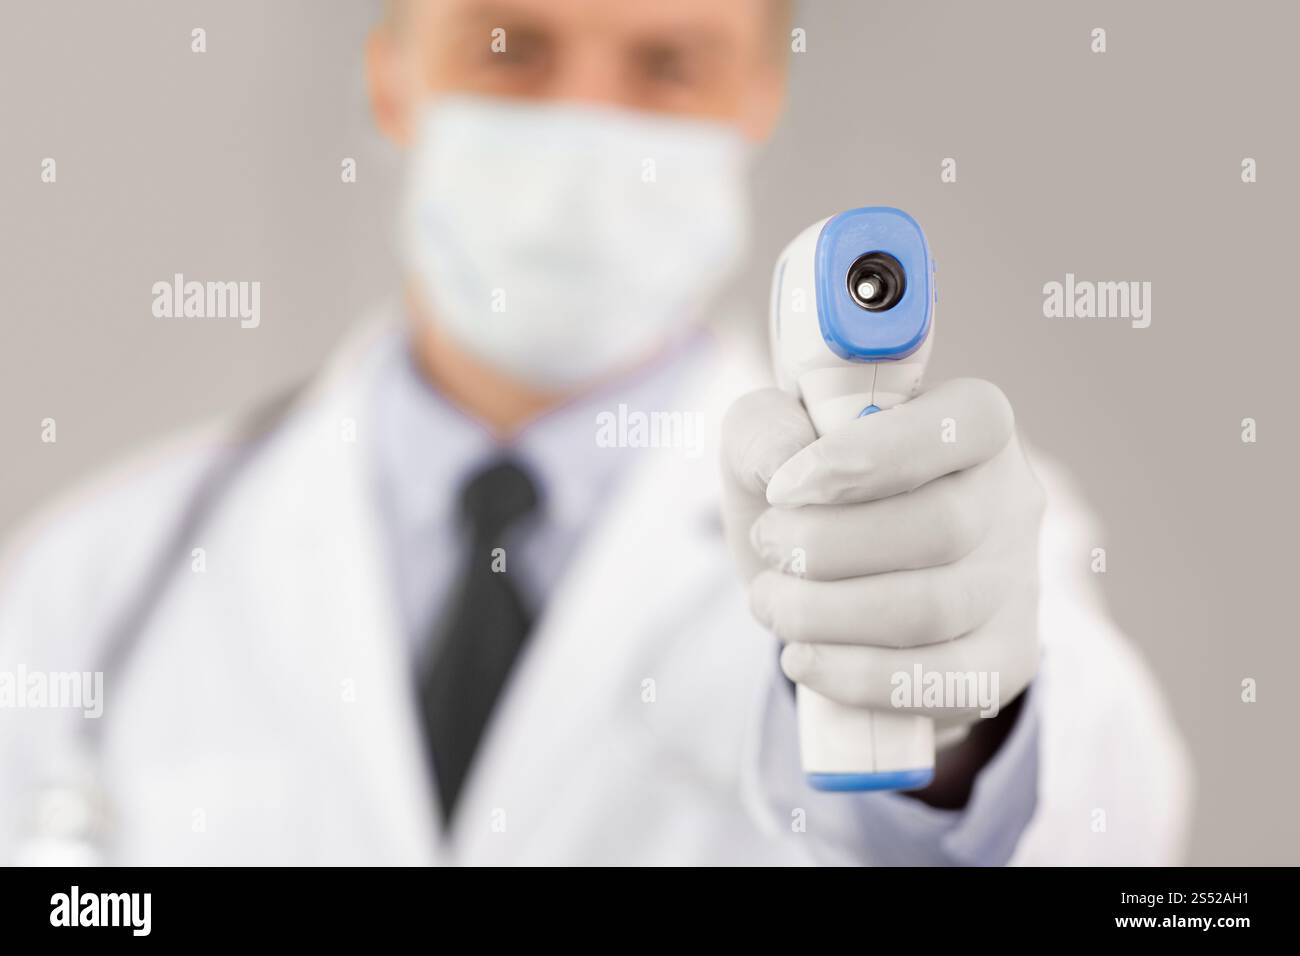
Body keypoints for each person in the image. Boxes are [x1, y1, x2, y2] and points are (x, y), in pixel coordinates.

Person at [0, 0, 1189, 865]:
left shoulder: (937, 533)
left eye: (669, 66)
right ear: (393, 77)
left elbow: (1112, 827)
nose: (585, 127)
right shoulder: (102, 575)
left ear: (758, 97)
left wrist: (958, 739)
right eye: (511, 49)